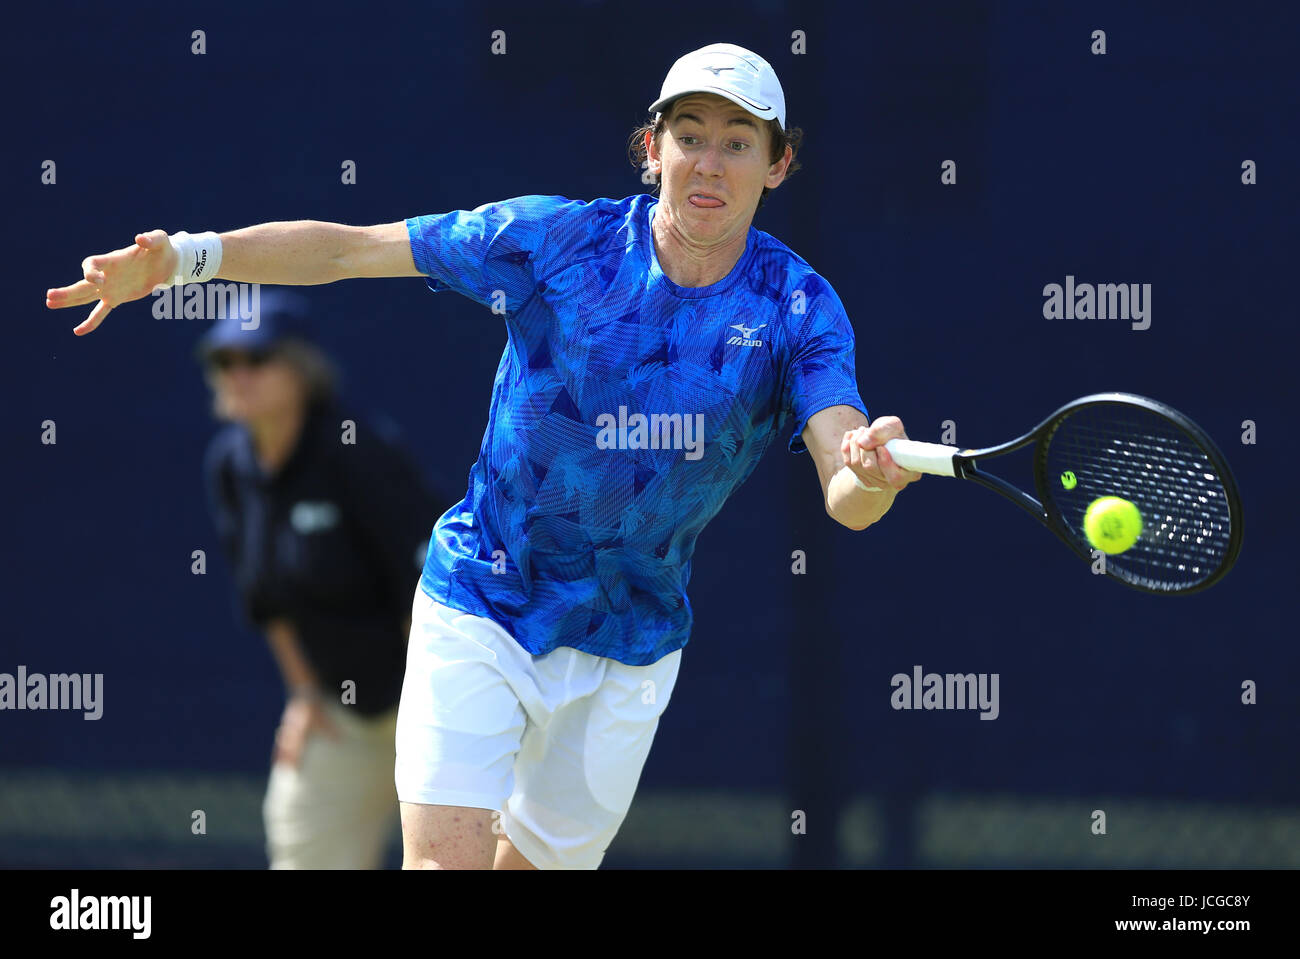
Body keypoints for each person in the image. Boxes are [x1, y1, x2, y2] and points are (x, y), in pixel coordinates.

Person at [46, 42, 921, 870]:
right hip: (482, 600)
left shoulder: (800, 308)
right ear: (652, 149)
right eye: (689, 137)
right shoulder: (555, 243)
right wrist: (186, 261)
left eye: (738, 143)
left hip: (630, 641)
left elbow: (843, 477)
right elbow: (351, 248)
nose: (710, 163)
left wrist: (870, 470)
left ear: (777, 164)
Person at [198, 290, 444, 868]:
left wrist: (435, 712)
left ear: (301, 369)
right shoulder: (230, 467)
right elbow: (266, 602)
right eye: (223, 361)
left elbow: (428, 584)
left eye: (255, 358)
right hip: (341, 716)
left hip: (433, 704)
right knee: (301, 847)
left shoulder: (357, 450)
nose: (238, 374)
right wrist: (306, 694)